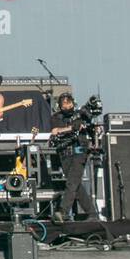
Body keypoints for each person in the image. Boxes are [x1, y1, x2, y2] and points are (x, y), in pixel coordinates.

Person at [49, 93, 98, 221]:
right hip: (64, 153)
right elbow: (55, 131)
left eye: (69, 103)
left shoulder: (80, 115)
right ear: (59, 106)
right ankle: (92, 213)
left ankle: (63, 211)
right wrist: (70, 128)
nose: (67, 106)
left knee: (72, 182)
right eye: (64, 104)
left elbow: (86, 123)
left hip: (79, 151)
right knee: (76, 185)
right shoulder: (56, 117)